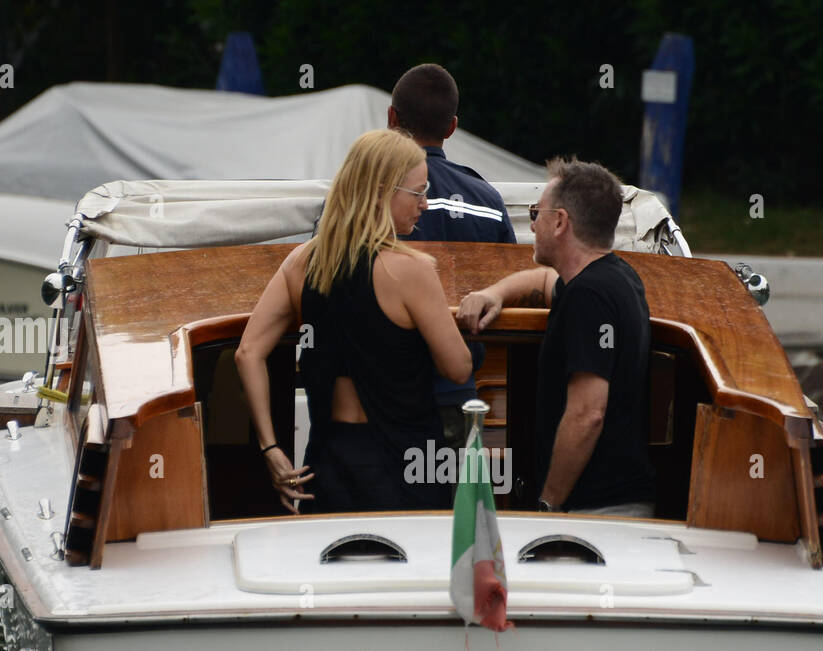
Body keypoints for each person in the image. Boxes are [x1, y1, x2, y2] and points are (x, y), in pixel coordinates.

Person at [236, 129, 472, 514]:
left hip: (328, 460)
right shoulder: (412, 270)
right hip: (408, 463)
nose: (425, 205)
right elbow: (458, 368)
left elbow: (247, 353)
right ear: (381, 191)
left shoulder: (301, 262)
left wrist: (271, 447)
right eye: (418, 192)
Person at [457, 158, 656, 517]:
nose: (532, 226)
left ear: (561, 221)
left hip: (597, 512)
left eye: (536, 214)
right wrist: (495, 293)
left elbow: (587, 413)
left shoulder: (588, 296)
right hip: (615, 504)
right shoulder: (614, 276)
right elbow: (545, 282)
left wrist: (548, 503)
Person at [388, 63, 514, 450]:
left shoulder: (358, 200)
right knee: (452, 507)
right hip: (460, 397)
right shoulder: (488, 204)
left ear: (392, 118)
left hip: (376, 398)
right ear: (452, 126)